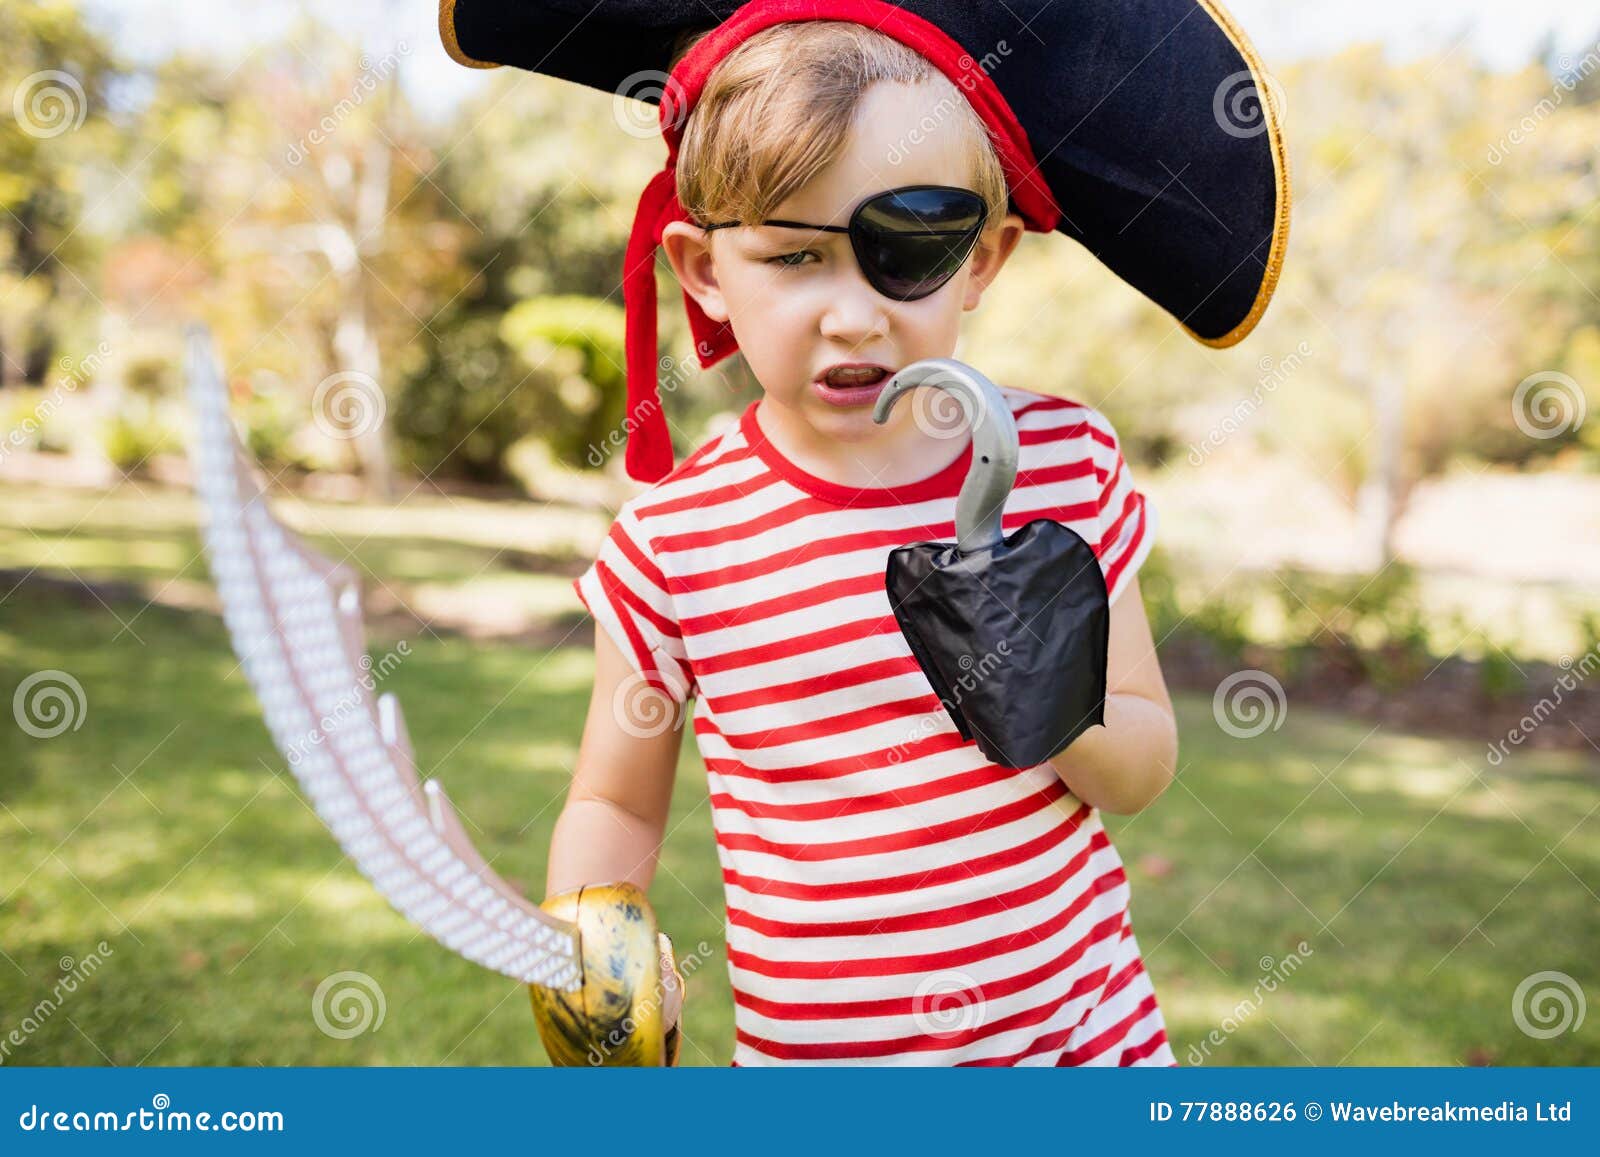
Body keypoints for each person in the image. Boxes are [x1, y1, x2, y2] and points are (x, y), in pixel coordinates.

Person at [440, 0, 1288, 1066]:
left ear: (984, 260)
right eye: (793, 258)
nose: (851, 314)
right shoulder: (676, 543)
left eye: (912, 246)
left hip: (1083, 1054)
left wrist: (1046, 694)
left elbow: (1139, 767)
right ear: (704, 271)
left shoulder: (1060, 465)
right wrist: (591, 946)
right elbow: (613, 796)